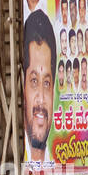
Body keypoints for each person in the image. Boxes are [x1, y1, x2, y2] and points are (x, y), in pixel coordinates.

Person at [23, 9, 57, 162]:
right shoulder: (12, 163)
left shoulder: (61, 164)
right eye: (34, 81)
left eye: (47, 83)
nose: (41, 99)